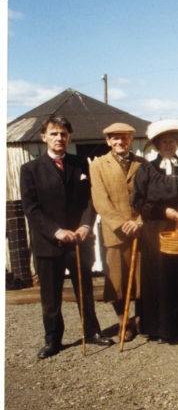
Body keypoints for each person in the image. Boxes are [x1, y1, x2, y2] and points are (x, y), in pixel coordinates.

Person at [20, 115, 114, 358]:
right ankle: (53, 339)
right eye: (53, 134)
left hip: (79, 240)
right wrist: (55, 231)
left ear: (69, 137)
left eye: (63, 134)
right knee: (50, 295)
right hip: (49, 242)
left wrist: (85, 226)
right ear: (44, 138)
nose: (59, 138)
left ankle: (92, 332)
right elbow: (31, 208)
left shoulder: (82, 164)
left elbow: (91, 199)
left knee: (84, 289)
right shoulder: (30, 170)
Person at [132, 119, 178, 345]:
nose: (169, 146)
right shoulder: (146, 170)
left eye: (173, 141)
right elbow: (138, 203)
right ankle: (165, 330)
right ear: (156, 145)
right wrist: (165, 211)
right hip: (157, 231)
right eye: (164, 142)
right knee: (162, 278)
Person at [89, 122, 147, 342]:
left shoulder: (142, 163)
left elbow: (150, 196)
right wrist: (121, 223)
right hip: (115, 232)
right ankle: (124, 322)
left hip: (140, 231)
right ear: (108, 141)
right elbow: (100, 200)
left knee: (142, 277)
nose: (120, 142)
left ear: (131, 140)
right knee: (117, 280)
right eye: (115, 138)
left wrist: (139, 221)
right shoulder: (98, 165)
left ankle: (141, 319)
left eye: (124, 138)